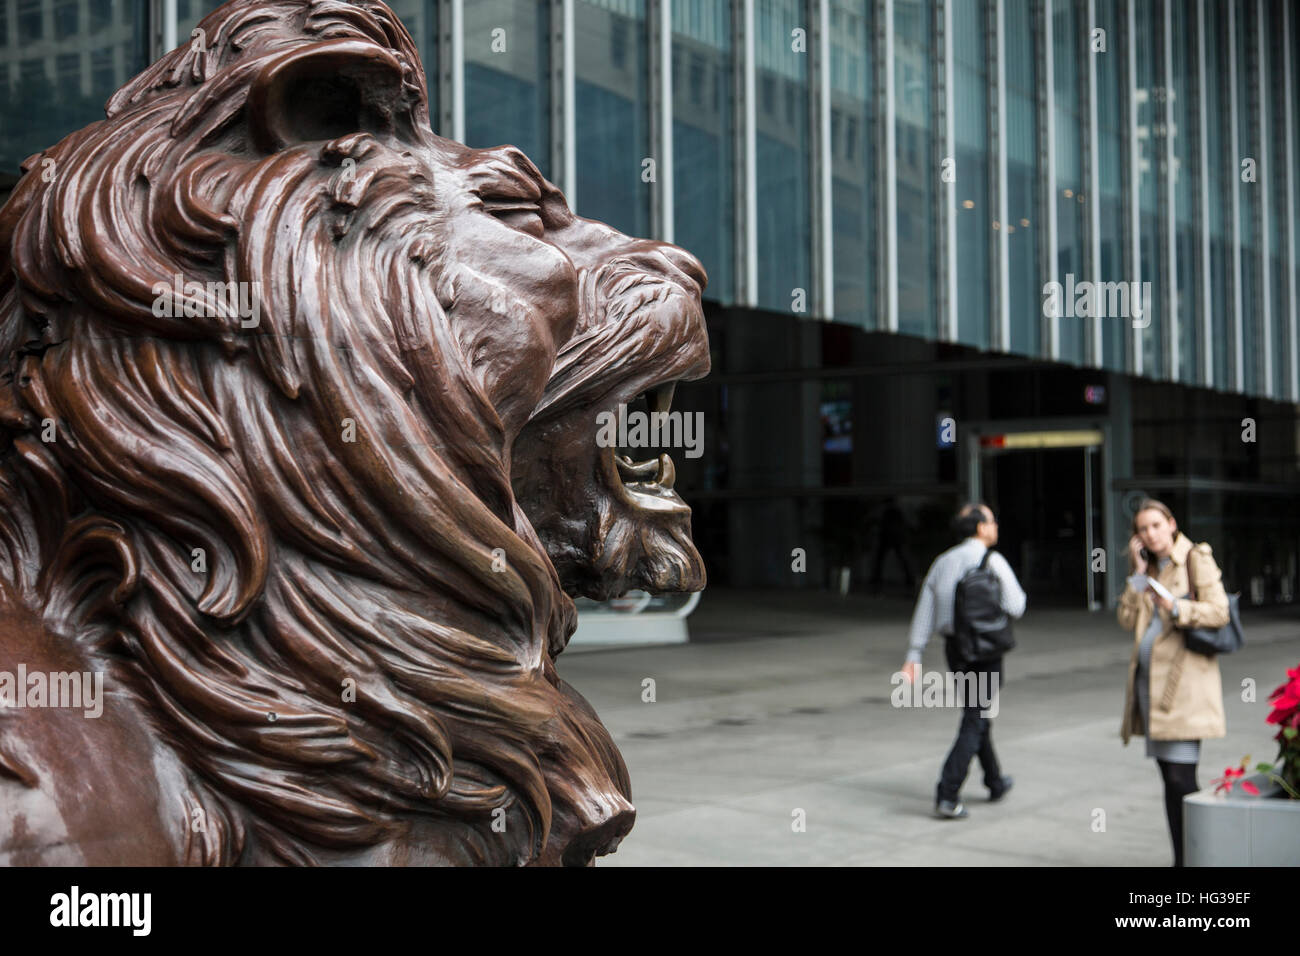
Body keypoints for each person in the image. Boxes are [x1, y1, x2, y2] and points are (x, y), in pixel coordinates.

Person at [1117, 498, 1230, 867]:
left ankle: (1200, 854)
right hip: (1150, 691)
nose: (1150, 534)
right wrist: (1137, 573)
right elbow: (1125, 618)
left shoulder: (1196, 557)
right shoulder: (1147, 569)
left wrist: (1177, 608)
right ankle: (1183, 859)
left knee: (1182, 779)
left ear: (1171, 524)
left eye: (1155, 525)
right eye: (1142, 529)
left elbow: (1219, 611)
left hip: (1184, 689)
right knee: (1169, 779)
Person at [902, 502, 1027, 819]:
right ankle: (947, 794)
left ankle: (995, 781)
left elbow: (925, 611)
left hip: (956, 651)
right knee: (975, 718)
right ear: (981, 528)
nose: (996, 525)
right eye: (992, 521)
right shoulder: (992, 560)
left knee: (978, 714)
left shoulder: (942, 562)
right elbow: (1017, 605)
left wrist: (914, 654)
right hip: (986, 651)